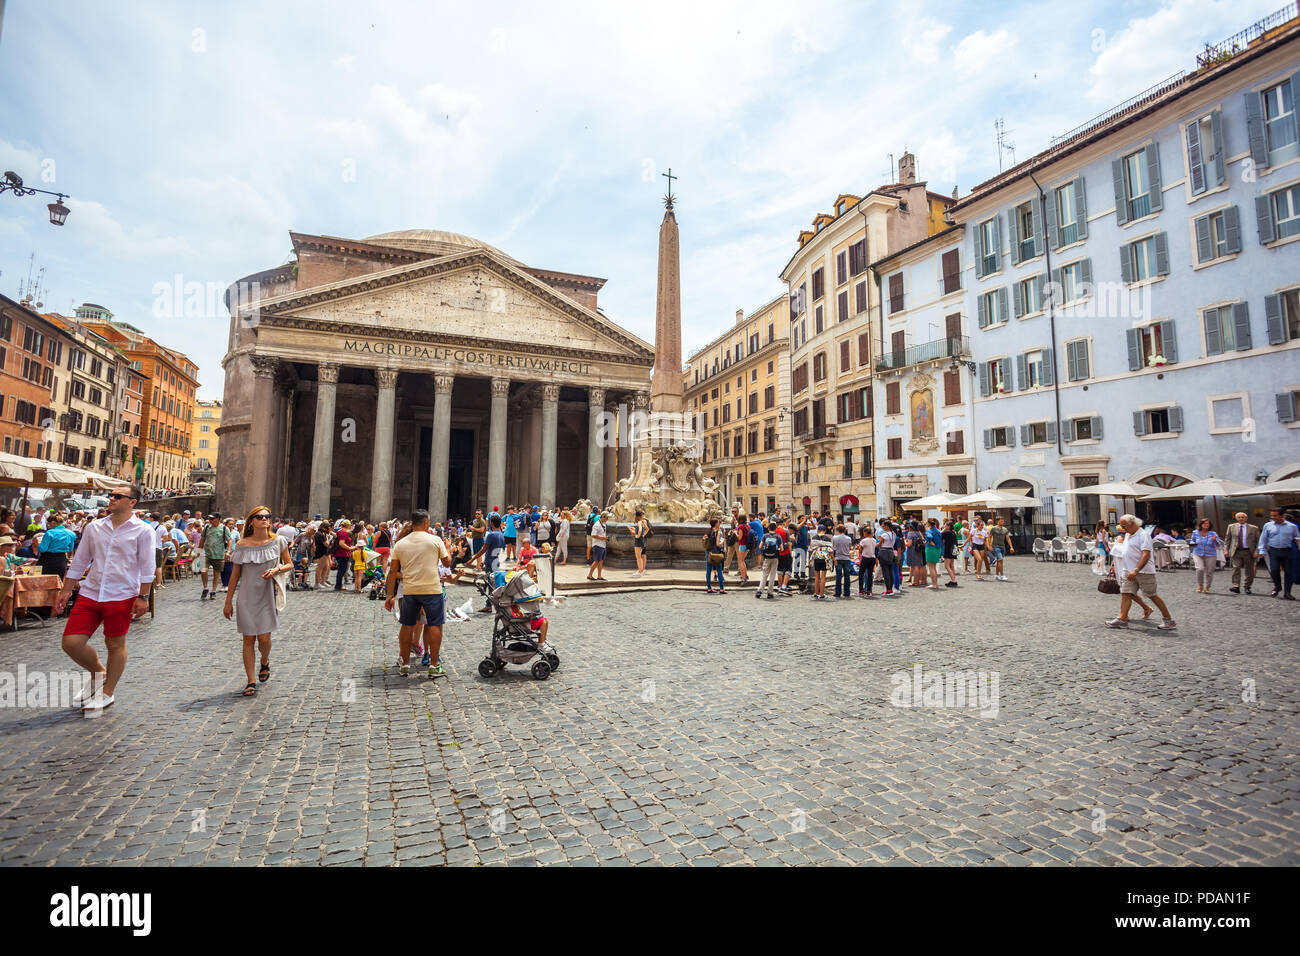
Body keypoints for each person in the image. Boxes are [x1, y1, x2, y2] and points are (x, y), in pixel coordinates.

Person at [53, 484, 155, 713]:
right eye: (111, 495)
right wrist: (66, 590)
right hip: (91, 592)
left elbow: (148, 567)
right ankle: (98, 672)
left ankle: (107, 692)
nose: (111, 498)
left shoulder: (143, 530)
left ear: (132, 502)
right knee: (71, 643)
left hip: (122, 594)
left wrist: (143, 597)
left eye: (118, 496)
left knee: (115, 644)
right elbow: (80, 561)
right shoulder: (94, 527)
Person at [223, 507, 292, 698]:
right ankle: (250, 681)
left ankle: (265, 659)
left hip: (266, 594)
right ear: (251, 521)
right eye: (260, 517)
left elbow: (289, 563)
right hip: (246, 596)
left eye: (267, 517)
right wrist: (228, 601)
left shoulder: (278, 541)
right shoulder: (242, 544)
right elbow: (235, 574)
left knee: (264, 639)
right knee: (248, 639)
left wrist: (276, 570)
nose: (264, 519)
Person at [384, 509, 452, 678]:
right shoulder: (435, 540)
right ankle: (434, 665)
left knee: (407, 625)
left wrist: (389, 595)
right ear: (427, 522)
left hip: (410, 589)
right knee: (435, 624)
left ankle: (405, 664)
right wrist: (448, 548)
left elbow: (392, 572)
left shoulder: (401, 543)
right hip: (432, 589)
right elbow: (447, 562)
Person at [1106, 514, 1176, 630]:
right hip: (1128, 570)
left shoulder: (1143, 535)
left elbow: (1146, 555)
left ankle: (1168, 620)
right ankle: (1122, 619)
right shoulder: (1129, 534)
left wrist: (1136, 570)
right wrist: (1117, 565)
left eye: (1124, 526)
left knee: (1152, 595)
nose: (1123, 528)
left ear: (1132, 524)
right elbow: (1126, 552)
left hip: (1144, 571)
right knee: (1125, 593)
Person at [1258, 508, 1299, 599]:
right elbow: (1263, 538)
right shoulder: (1268, 525)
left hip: (1288, 551)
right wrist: (1261, 549)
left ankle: (1287, 592)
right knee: (1274, 570)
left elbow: (1297, 536)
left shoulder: (1292, 526)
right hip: (1274, 551)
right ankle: (1278, 586)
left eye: (1275, 515)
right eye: (1272, 515)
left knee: (1288, 572)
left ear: (1282, 516)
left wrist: (1297, 540)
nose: (1273, 517)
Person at [198, 513, 232, 601]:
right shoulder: (206, 528)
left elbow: (229, 541)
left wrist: (228, 552)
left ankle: (213, 591)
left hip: (218, 554)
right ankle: (205, 588)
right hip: (206, 553)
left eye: (212, 519)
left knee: (216, 574)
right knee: (203, 570)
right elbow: (202, 539)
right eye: (210, 519)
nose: (210, 520)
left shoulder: (224, 528)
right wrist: (199, 550)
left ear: (218, 519)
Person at [1224, 511, 1260, 595]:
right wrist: (1225, 550)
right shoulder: (1231, 527)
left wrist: (1257, 551)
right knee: (1236, 568)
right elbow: (1227, 539)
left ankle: (1247, 586)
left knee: (1249, 570)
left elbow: (1258, 541)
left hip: (1249, 551)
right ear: (1236, 518)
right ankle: (1236, 586)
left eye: (1242, 517)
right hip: (1236, 551)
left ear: (1246, 518)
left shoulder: (1253, 528)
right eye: (1239, 517)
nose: (1241, 519)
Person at [34, 512, 76, 578]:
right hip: (61, 560)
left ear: (53, 523)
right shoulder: (71, 533)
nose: (49, 526)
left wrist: (38, 544)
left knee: (44, 582)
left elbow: (42, 549)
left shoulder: (49, 532)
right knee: (58, 582)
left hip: (47, 560)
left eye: (49, 524)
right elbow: (70, 549)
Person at [1190, 518, 1222, 594]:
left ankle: (1207, 586)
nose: (1206, 525)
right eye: (1204, 523)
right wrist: (1192, 543)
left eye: (1208, 524)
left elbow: (1219, 544)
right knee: (1200, 568)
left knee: (1209, 571)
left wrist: (1215, 540)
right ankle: (1200, 585)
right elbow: (1192, 540)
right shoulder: (1195, 532)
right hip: (1198, 553)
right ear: (1201, 525)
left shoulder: (1213, 533)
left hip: (1210, 554)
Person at [807, 522, 833, 600]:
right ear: (824, 530)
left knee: (817, 576)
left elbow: (811, 547)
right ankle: (821, 594)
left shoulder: (814, 537)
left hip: (817, 558)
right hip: (824, 558)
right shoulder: (827, 538)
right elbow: (830, 548)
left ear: (818, 530)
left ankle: (815, 593)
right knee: (823, 577)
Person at [332, 520, 356, 591]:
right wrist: (350, 548)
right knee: (342, 570)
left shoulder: (339, 531)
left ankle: (339, 585)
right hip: (343, 553)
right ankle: (338, 585)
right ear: (348, 525)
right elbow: (341, 543)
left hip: (341, 553)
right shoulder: (344, 532)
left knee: (341, 570)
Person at [704, 517, 726, 593]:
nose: (720, 524)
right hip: (716, 553)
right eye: (719, 523)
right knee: (719, 570)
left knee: (708, 570)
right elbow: (717, 544)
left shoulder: (708, 531)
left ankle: (709, 588)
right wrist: (722, 542)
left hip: (708, 552)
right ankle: (721, 589)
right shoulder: (718, 532)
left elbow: (704, 540)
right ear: (716, 524)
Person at [989, 516, 1014, 581]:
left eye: (1003, 521)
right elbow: (989, 537)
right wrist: (990, 546)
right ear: (997, 521)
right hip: (996, 546)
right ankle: (1002, 575)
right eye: (1001, 521)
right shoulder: (993, 529)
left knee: (998, 561)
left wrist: (1011, 547)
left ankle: (997, 575)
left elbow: (1008, 538)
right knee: (1000, 559)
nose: (1002, 522)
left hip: (1002, 546)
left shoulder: (1005, 529)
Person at [877, 521, 898, 597]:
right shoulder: (894, 534)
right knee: (890, 571)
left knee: (885, 572)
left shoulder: (884, 535)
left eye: (883, 526)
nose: (883, 527)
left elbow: (880, 544)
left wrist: (876, 544)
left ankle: (888, 590)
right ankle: (891, 589)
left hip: (884, 552)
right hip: (890, 552)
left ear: (887, 526)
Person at [832, 523, 853, 598]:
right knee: (847, 576)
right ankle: (847, 592)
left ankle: (838, 592)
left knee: (838, 576)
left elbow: (833, 547)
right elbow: (850, 547)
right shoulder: (848, 538)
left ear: (838, 530)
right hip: (846, 558)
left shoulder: (834, 538)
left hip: (838, 558)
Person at [856, 524, 877, 597]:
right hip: (872, 558)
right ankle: (869, 591)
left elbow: (860, 550)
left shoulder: (864, 541)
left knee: (861, 574)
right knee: (870, 574)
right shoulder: (874, 540)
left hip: (865, 558)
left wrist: (859, 548)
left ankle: (861, 590)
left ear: (865, 533)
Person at [587, 511, 607, 581]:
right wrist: (602, 538)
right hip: (597, 545)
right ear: (603, 517)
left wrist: (604, 538)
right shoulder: (597, 525)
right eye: (606, 518)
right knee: (596, 561)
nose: (607, 520)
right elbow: (593, 535)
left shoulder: (604, 524)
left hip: (603, 545)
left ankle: (599, 575)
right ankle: (590, 575)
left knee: (601, 561)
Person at [924, 517, 943, 590]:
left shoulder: (929, 531)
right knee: (934, 567)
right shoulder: (938, 531)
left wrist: (930, 542)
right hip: (938, 549)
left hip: (931, 549)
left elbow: (929, 537)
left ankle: (934, 584)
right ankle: (935, 583)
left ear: (929, 524)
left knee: (931, 568)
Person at [940, 519, 959, 587]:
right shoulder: (953, 532)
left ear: (948, 526)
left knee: (947, 566)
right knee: (952, 566)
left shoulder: (947, 532)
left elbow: (940, 534)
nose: (944, 526)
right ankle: (953, 579)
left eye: (945, 525)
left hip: (948, 550)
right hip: (953, 550)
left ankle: (954, 580)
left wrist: (944, 529)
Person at [632, 509, 649, 577]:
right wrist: (642, 535)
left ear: (637, 516)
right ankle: (641, 571)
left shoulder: (639, 522)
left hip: (638, 541)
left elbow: (640, 530)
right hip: (641, 540)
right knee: (640, 557)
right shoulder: (643, 521)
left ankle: (639, 572)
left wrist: (637, 536)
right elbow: (647, 529)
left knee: (638, 557)